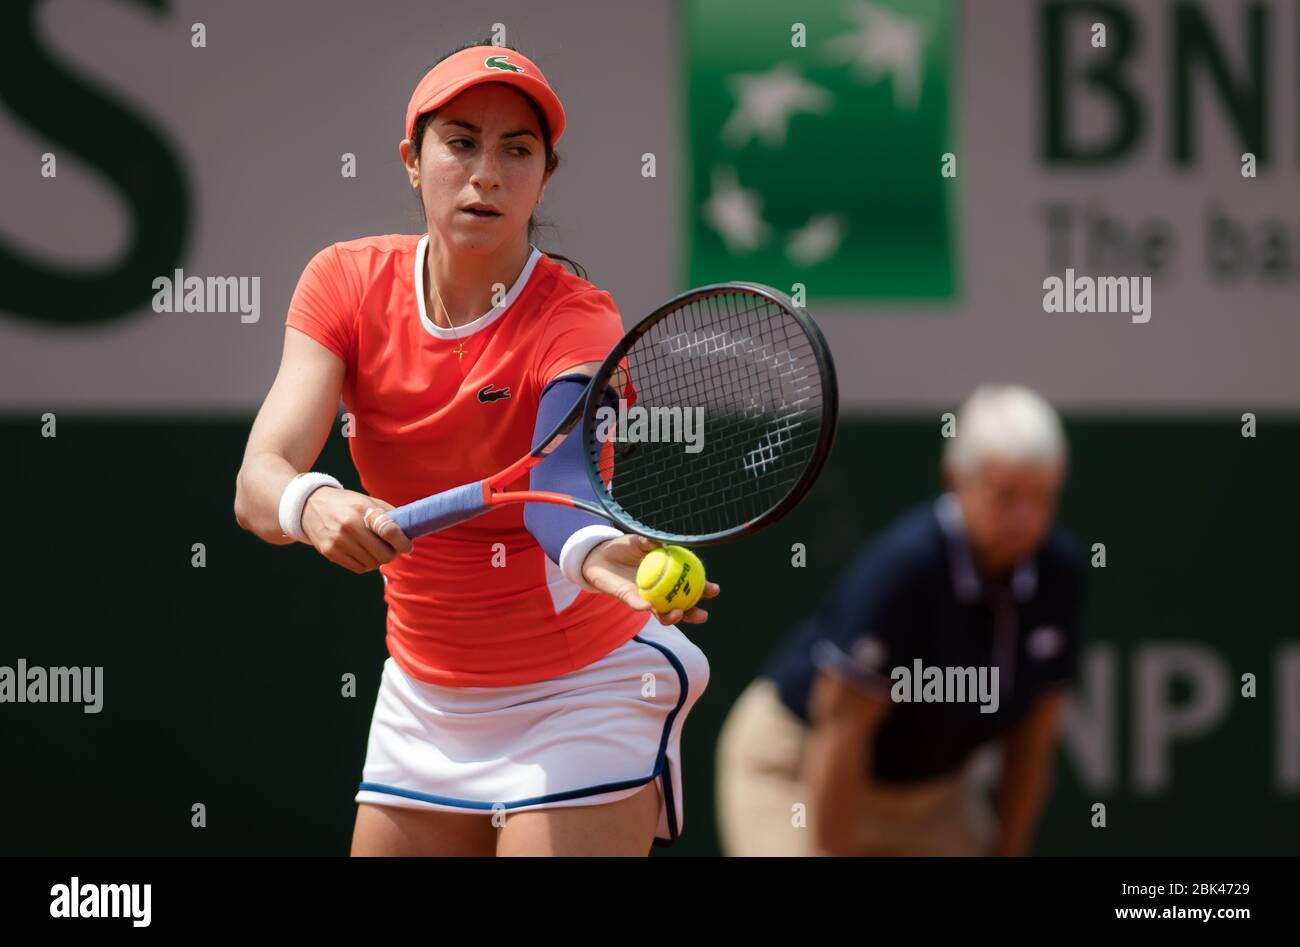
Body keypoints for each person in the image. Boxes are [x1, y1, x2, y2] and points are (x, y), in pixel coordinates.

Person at [233, 41, 717, 856]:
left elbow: (562, 488)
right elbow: (257, 483)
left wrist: (603, 558)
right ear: (412, 163)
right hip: (424, 695)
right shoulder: (343, 284)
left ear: (544, 176)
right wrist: (313, 502)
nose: (486, 173)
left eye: (516, 151)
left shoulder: (578, 321)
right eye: (460, 142)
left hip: (579, 690)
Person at [715, 385, 1083, 856]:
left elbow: (1032, 743)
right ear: (956, 480)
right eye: (1005, 495)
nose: (1025, 517)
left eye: (1041, 497)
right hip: (800, 768)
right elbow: (841, 734)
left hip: (931, 801)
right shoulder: (904, 569)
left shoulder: (1060, 575)